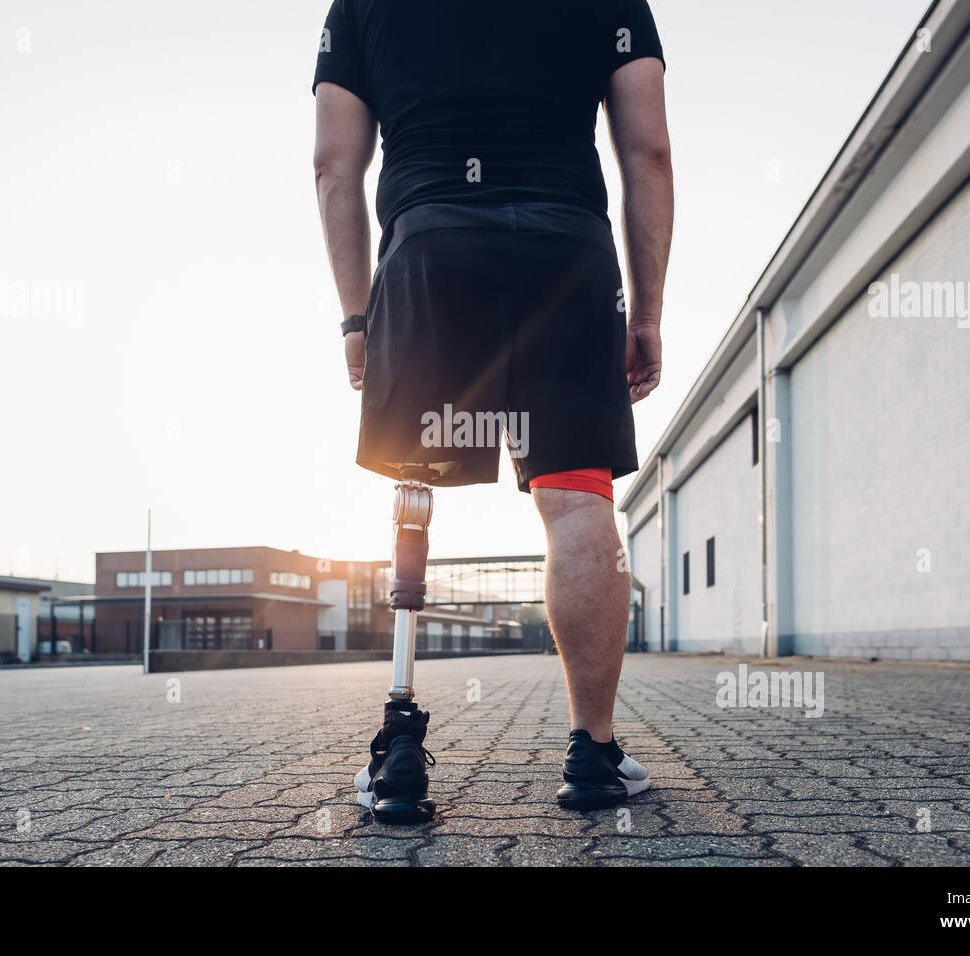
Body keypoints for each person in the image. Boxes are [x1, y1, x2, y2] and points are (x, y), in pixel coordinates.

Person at [313, 0, 673, 811]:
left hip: (431, 246)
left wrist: (356, 317)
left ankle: (401, 749)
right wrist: (646, 311)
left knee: (415, 486)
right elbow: (647, 151)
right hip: (565, 251)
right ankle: (594, 754)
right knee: (576, 497)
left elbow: (334, 166)